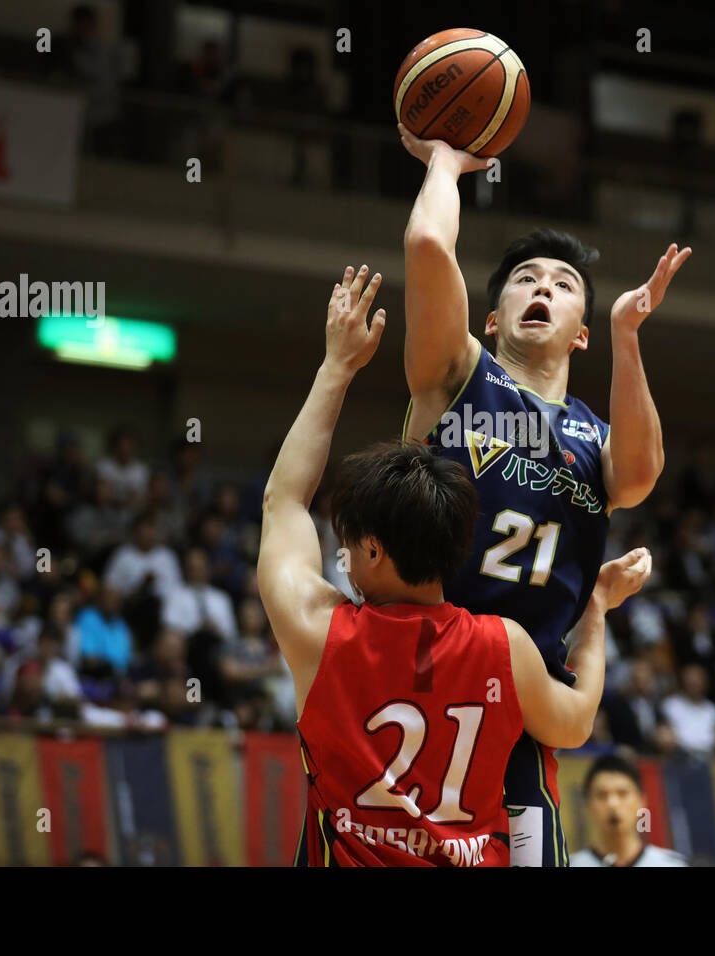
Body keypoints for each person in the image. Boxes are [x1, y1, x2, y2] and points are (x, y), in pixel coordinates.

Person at [256, 267, 651, 867]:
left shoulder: (320, 634)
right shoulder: (506, 646)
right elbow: (573, 725)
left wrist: (337, 367)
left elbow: (283, 502)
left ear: (371, 550)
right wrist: (594, 611)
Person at [396, 123, 690, 866]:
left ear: (578, 332)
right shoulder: (460, 376)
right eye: (527, 279)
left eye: (563, 286)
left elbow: (640, 474)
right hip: (414, 672)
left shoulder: (595, 438)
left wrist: (628, 334)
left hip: (523, 713)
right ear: (493, 318)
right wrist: (444, 163)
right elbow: (431, 250)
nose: (544, 289)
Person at [568, 755, 687, 867]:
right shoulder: (570, 864)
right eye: (601, 795)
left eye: (622, 793)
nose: (612, 804)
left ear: (641, 800)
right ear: (588, 804)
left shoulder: (672, 864)